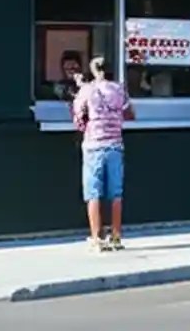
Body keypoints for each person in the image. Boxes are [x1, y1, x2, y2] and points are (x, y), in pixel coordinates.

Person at [71, 56, 135, 252]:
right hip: (115, 145)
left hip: (93, 146)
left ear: (92, 70)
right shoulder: (119, 89)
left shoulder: (87, 90)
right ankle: (115, 237)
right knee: (116, 193)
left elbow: (78, 117)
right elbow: (130, 114)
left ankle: (97, 238)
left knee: (93, 193)